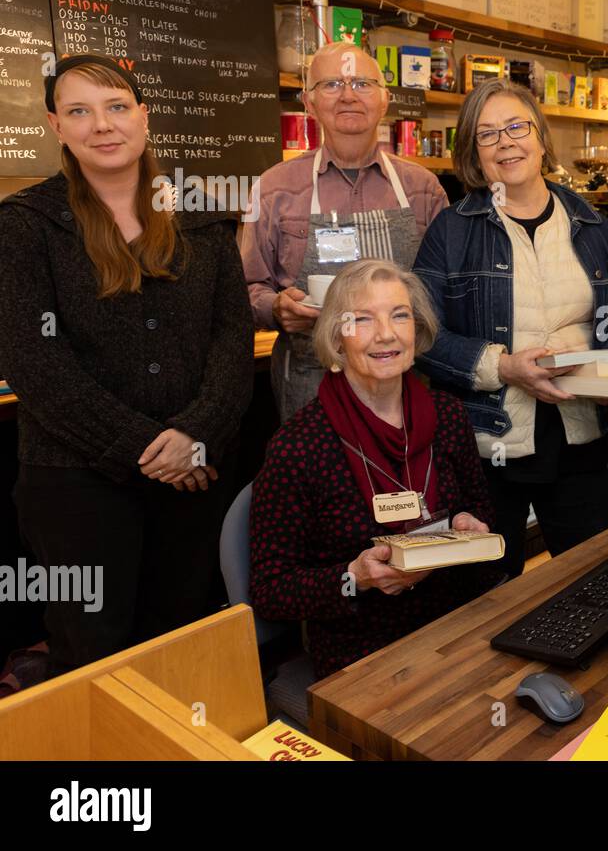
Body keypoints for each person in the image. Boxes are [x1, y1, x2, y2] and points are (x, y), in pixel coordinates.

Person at [0, 54, 253, 686]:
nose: (102, 125)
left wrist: (197, 436)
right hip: (73, 488)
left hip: (191, 479)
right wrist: (152, 450)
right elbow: (35, 364)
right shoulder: (24, 225)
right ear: (57, 126)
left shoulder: (199, 215)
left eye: (116, 107)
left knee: (180, 642)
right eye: (79, 111)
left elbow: (232, 337)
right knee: (92, 660)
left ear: (143, 117)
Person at [248, 260, 501, 678]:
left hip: (459, 623)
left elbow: (481, 511)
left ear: (416, 331)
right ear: (335, 337)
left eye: (399, 315)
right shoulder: (298, 448)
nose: (386, 334)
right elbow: (271, 591)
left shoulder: (448, 416)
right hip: (364, 652)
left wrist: (466, 523)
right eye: (362, 320)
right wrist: (354, 577)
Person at [413, 78, 608, 579]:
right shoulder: (452, 229)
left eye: (516, 127)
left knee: (592, 581)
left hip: (579, 436)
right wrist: (502, 366)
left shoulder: (588, 223)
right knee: (485, 595)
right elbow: (419, 335)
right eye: (487, 135)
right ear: (473, 153)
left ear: (541, 137)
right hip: (488, 447)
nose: (506, 142)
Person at [241, 42, 450, 421]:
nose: (349, 96)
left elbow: (449, 290)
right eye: (332, 84)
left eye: (363, 84)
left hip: (404, 381)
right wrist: (276, 308)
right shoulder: (274, 187)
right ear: (308, 101)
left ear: (385, 100)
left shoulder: (423, 188)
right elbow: (246, 287)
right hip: (310, 382)